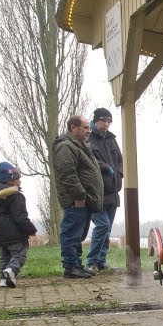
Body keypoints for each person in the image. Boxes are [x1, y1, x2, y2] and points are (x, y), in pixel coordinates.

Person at [52, 114, 103, 279]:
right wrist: (79, 195)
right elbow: (67, 174)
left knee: (78, 234)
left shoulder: (80, 146)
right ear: (73, 127)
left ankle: (76, 265)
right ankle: (70, 266)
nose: (89, 131)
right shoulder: (66, 146)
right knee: (71, 233)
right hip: (76, 200)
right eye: (86, 127)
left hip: (84, 199)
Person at [0, 162, 37, 288]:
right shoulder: (16, 196)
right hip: (16, 235)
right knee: (19, 254)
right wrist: (30, 229)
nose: (19, 181)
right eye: (17, 179)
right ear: (10, 181)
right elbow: (20, 217)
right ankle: (11, 271)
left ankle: (3, 280)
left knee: (4, 257)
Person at [86, 107, 123, 274]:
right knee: (102, 225)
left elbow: (120, 160)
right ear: (95, 120)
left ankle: (101, 261)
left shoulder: (111, 139)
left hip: (112, 191)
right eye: (103, 120)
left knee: (107, 229)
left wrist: (119, 174)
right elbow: (88, 160)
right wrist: (105, 167)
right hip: (95, 191)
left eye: (109, 121)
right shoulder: (88, 139)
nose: (106, 124)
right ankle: (91, 262)